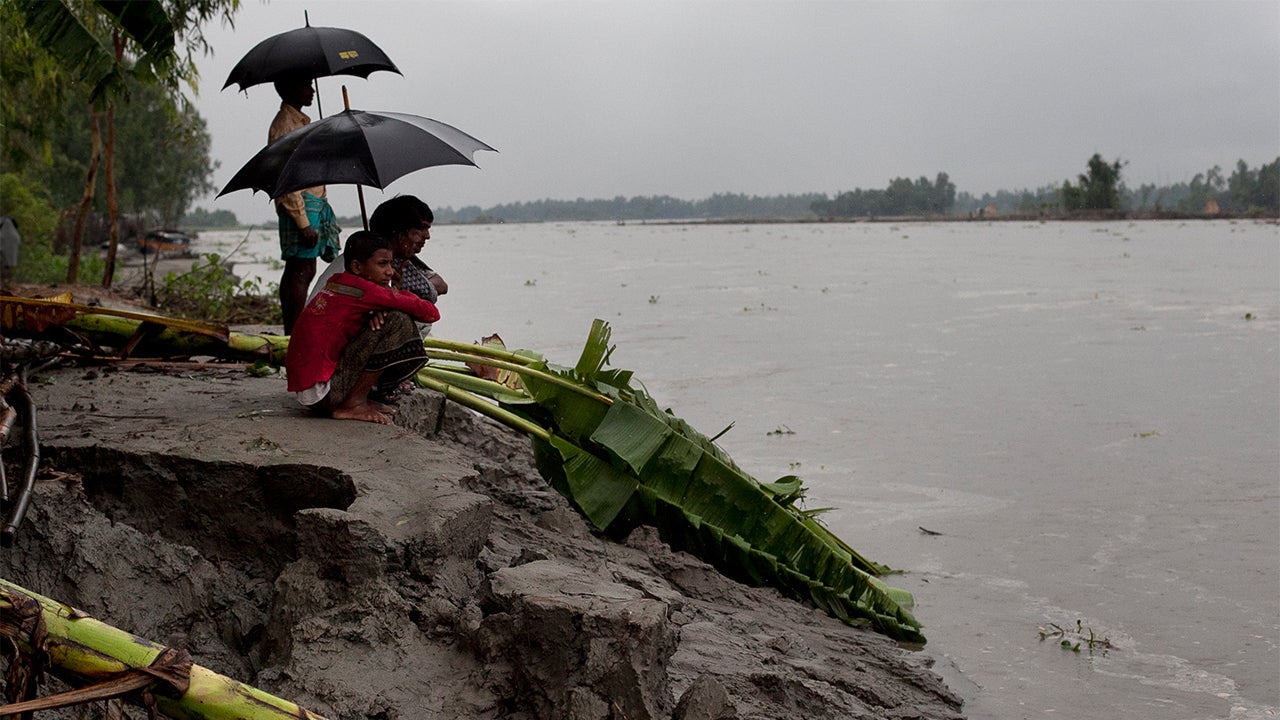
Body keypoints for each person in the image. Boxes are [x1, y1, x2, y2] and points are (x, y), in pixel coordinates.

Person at [285, 231, 440, 425]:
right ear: (357, 267)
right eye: (382, 264)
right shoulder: (368, 290)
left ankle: (358, 399)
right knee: (397, 320)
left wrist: (379, 307)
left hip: (310, 391)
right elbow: (431, 313)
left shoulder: (337, 280)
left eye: (391, 264)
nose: (390, 271)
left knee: (387, 317)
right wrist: (393, 298)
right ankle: (353, 403)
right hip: (323, 394)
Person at [269, 75, 341, 335]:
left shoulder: (300, 123)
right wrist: (302, 223)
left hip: (310, 203)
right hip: (298, 206)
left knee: (306, 268)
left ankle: (295, 330)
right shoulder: (284, 125)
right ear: (289, 88)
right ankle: (293, 332)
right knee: (299, 268)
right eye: (305, 84)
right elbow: (285, 177)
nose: (311, 91)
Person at [310, 195, 447, 324]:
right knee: (397, 318)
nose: (427, 236)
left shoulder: (397, 261)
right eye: (421, 228)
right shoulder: (362, 265)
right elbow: (430, 313)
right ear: (400, 234)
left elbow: (441, 286)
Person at [0, 214, 20, 293]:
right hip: (7, 257)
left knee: (5, 269)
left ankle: (5, 284)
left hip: (5, 256)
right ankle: (6, 284)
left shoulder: (5, 227)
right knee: (7, 268)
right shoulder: (14, 234)